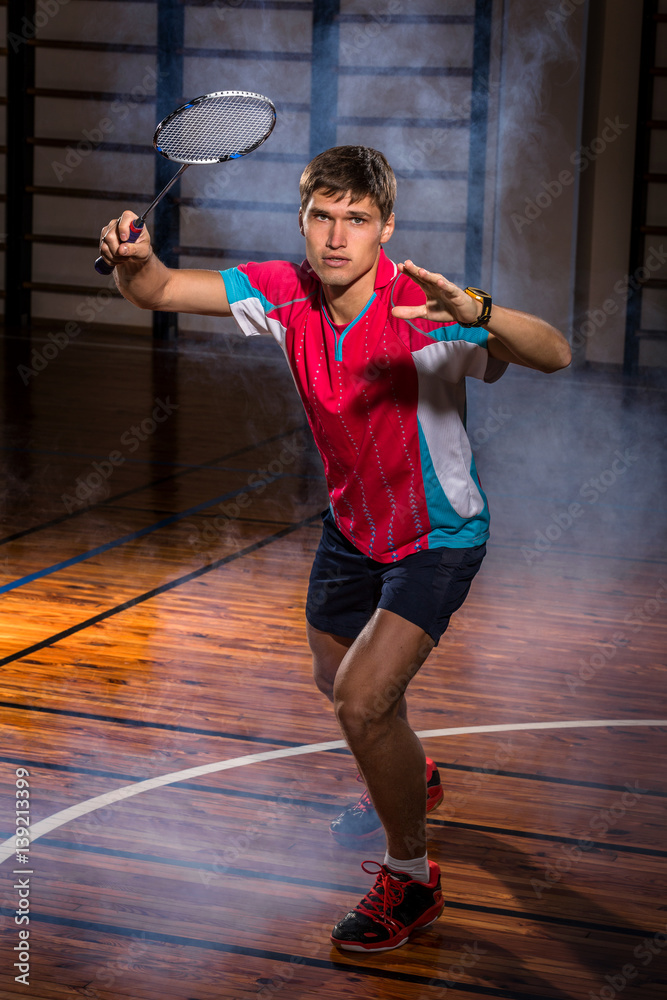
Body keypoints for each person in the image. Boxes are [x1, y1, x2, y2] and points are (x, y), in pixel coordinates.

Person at [98, 145, 571, 953]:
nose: (337, 235)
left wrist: (479, 313)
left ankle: (412, 882)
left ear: (385, 226)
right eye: (323, 216)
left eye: (357, 218)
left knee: (359, 701)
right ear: (303, 222)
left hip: (437, 537)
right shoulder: (284, 293)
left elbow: (555, 352)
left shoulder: (427, 311)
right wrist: (132, 260)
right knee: (338, 679)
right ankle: (411, 773)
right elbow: (160, 291)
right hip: (351, 532)